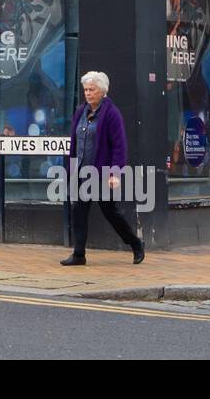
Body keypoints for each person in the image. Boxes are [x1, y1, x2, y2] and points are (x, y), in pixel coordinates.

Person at [61, 71, 146, 266]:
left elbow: (119, 146)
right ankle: (79, 254)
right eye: (86, 90)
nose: (88, 93)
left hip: (101, 173)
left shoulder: (111, 113)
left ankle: (135, 243)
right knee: (79, 211)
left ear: (103, 91)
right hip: (81, 171)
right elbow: (75, 143)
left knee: (110, 213)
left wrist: (115, 173)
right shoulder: (80, 111)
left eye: (92, 90)